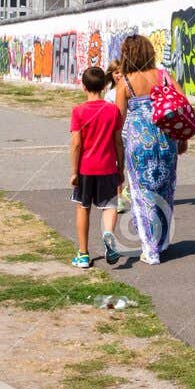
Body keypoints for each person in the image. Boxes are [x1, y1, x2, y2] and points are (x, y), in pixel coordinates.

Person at [114, 34, 179, 264]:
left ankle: (150, 249)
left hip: (139, 143)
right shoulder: (163, 76)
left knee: (142, 195)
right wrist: (182, 138)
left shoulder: (125, 83)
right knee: (165, 190)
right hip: (166, 140)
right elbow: (181, 103)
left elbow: (118, 121)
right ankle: (161, 242)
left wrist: (117, 153)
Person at [69, 66, 123, 268]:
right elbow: (118, 142)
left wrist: (74, 171)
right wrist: (120, 168)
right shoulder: (113, 110)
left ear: (83, 86)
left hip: (85, 168)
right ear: (104, 86)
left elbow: (76, 144)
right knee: (110, 206)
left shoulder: (78, 111)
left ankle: (83, 254)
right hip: (108, 167)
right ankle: (108, 233)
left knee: (83, 208)